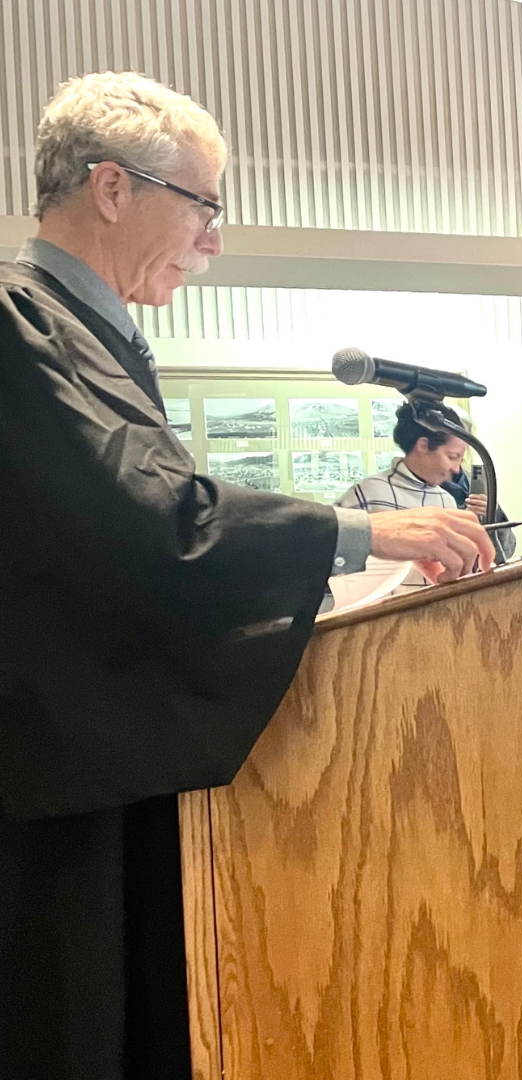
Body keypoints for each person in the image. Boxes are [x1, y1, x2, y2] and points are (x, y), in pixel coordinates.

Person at [0, 72, 490, 1080]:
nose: (213, 241)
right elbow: (146, 520)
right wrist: (361, 534)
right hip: (57, 797)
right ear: (111, 188)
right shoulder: (22, 327)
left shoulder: (84, 331)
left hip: (101, 771)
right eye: (204, 205)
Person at [339, 403, 516, 558]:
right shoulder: (367, 494)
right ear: (422, 445)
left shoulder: (445, 500)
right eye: (452, 457)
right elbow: (330, 552)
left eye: (460, 459)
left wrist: (492, 516)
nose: (456, 469)